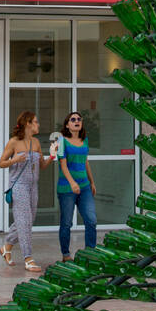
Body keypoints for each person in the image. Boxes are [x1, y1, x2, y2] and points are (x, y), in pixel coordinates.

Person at [0, 110, 52, 272]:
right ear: (27, 123)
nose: (38, 124)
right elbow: (1, 163)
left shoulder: (35, 142)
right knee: (24, 221)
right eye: (35, 121)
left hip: (33, 186)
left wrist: (52, 156)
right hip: (19, 185)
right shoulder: (14, 142)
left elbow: (41, 165)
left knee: (29, 219)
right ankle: (28, 258)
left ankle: (6, 246)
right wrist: (14, 159)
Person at [57, 110, 97, 261]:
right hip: (67, 188)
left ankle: (90, 253)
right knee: (66, 223)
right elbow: (63, 165)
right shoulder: (62, 141)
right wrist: (72, 183)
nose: (76, 121)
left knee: (91, 220)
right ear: (67, 125)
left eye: (79, 119)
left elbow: (86, 162)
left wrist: (92, 182)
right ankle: (66, 255)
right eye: (73, 119)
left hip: (85, 186)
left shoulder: (84, 140)